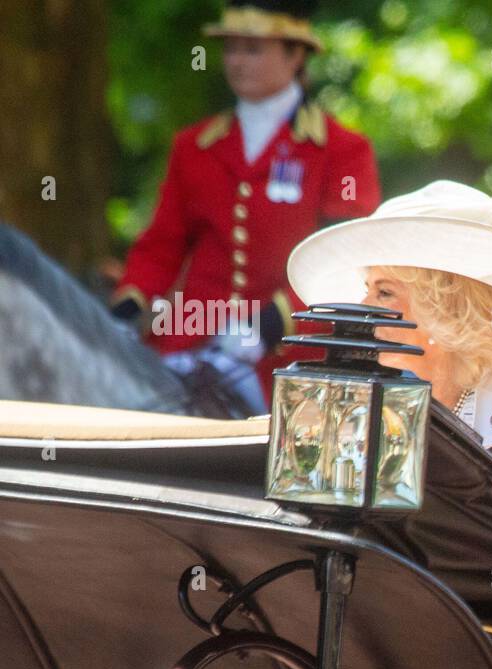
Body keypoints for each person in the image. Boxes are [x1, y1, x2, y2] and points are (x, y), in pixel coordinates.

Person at [110, 0, 381, 414]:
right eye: (231, 48)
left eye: (252, 49)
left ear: (295, 55)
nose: (237, 61)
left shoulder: (343, 151)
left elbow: (346, 262)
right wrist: (128, 309)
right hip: (186, 343)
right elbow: (162, 245)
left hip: (288, 356)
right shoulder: (195, 145)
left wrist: (269, 325)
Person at [287, 181, 492, 486]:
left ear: (446, 310)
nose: (363, 307)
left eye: (384, 292)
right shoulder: (353, 404)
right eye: (367, 290)